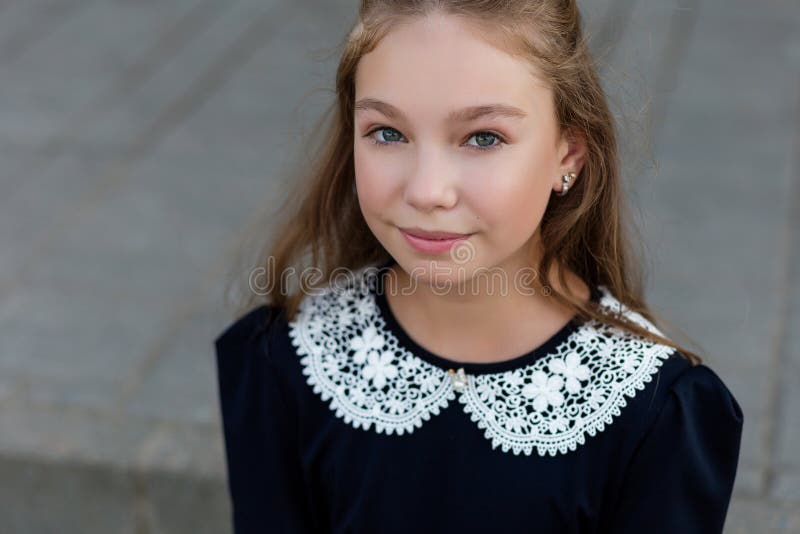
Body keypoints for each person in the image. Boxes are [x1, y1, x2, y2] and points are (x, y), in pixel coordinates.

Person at [214, 1, 744, 532]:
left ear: (569, 154)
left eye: (483, 138)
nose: (426, 191)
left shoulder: (656, 418)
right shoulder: (284, 365)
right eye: (387, 132)